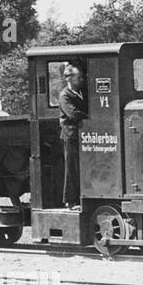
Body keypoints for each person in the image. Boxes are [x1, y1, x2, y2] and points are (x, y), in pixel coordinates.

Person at [58, 62, 88, 209]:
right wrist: (89, 116)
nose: (82, 80)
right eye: (79, 77)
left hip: (82, 135)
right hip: (71, 136)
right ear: (69, 78)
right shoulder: (65, 96)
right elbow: (73, 114)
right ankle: (70, 201)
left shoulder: (82, 92)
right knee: (72, 168)